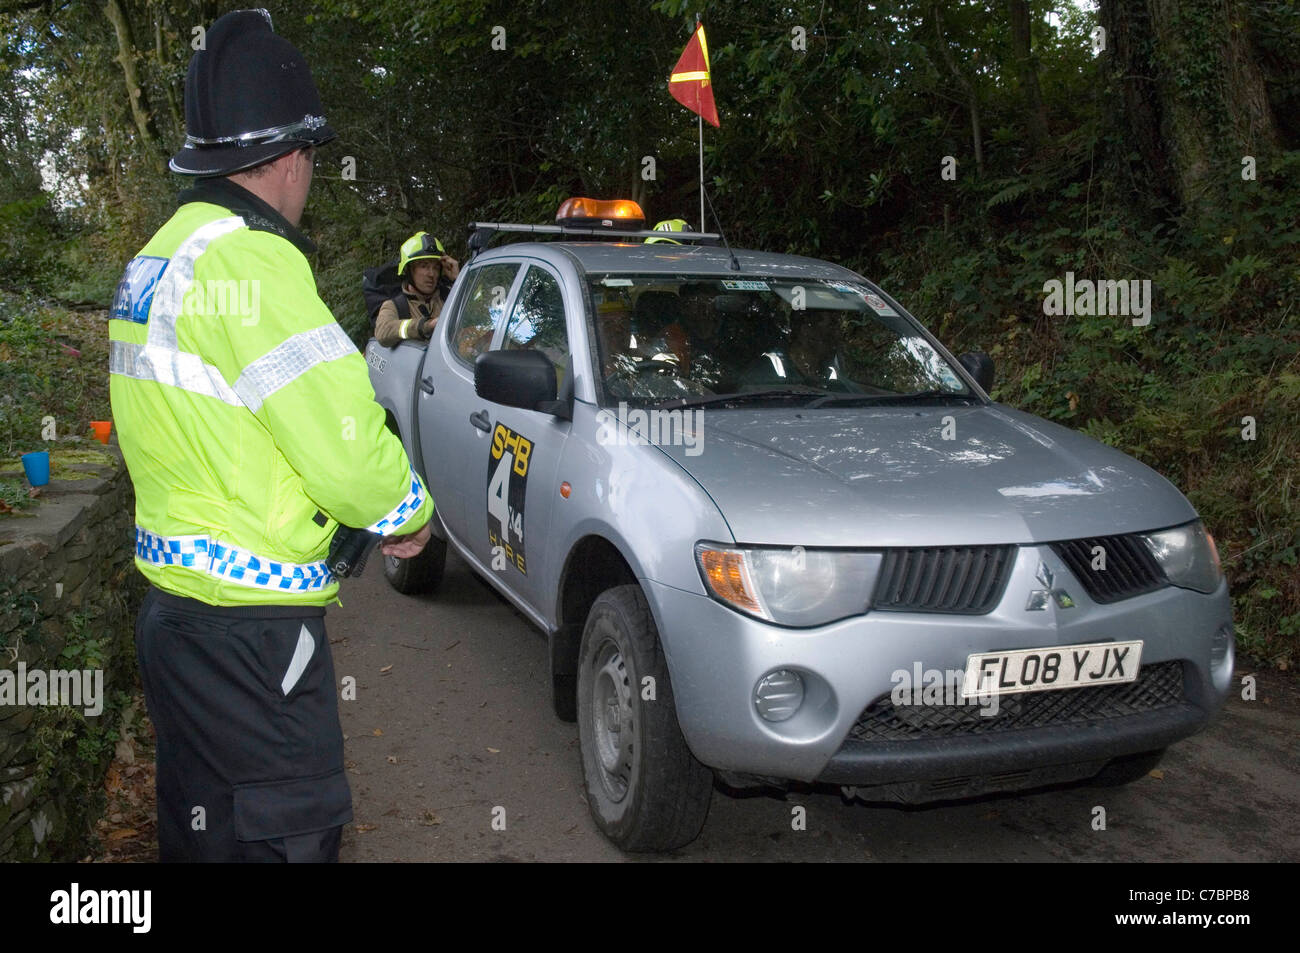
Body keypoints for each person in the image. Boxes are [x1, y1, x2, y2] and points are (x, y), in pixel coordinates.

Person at [108, 8, 433, 862]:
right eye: (313, 160)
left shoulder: (158, 257)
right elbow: (343, 446)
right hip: (254, 647)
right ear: (291, 154)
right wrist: (407, 512)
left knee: (202, 834)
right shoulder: (252, 260)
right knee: (285, 839)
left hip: (175, 628)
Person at [374, 231, 459, 346]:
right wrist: (426, 326)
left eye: (435, 267)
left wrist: (458, 280)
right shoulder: (394, 306)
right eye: (424, 266)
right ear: (408, 271)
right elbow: (383, 333)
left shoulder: (450, 297)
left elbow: (480, 316)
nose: (431, 274)